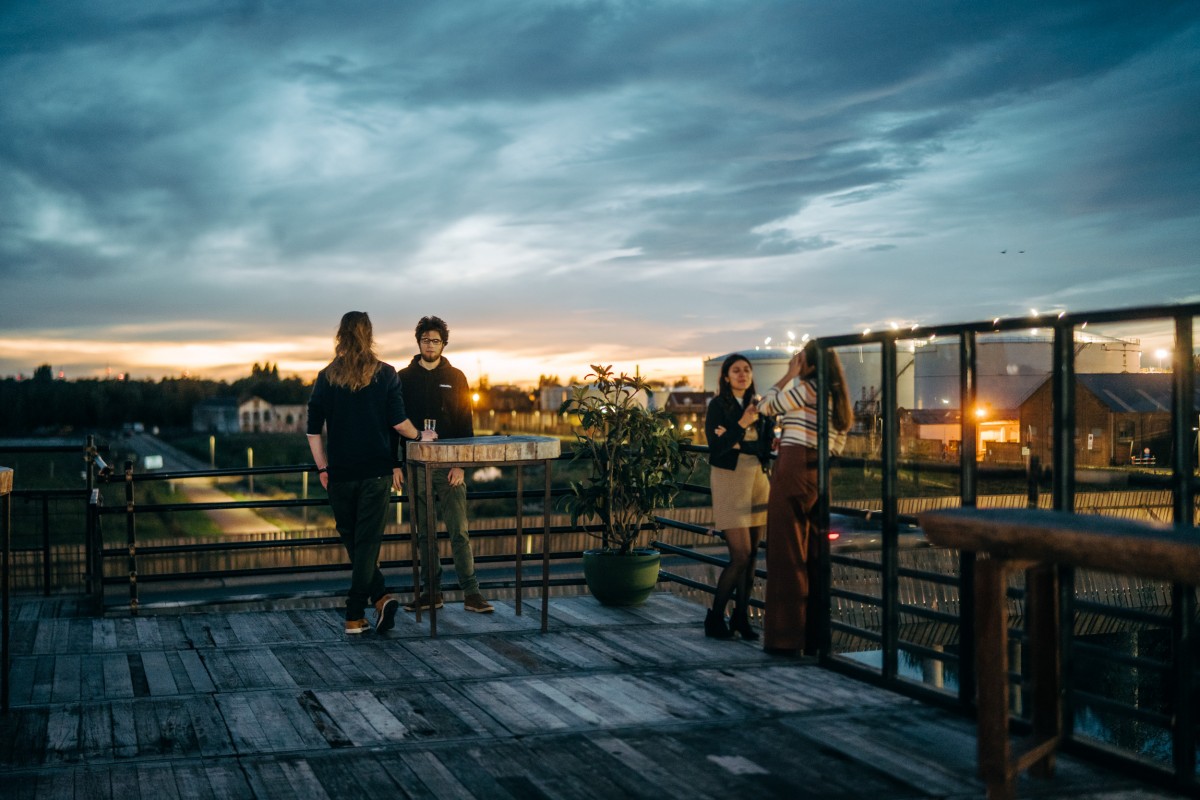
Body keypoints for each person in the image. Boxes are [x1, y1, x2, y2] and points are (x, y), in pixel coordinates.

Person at [306, 311, 428, 635]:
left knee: (357, 544)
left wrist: (322, 468)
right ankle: (356, 611)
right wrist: (420, 436)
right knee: (366, 544)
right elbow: (399, 424)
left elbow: (312, 431)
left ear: (341, 336)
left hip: (339, 475)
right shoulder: (387, 374)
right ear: (369, 335)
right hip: (375, 474)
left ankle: (378, 600)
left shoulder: (325, 377)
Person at [756, 340, 852, 655]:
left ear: (808, 364)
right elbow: (837, 445)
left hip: (793, 468)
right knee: (812, 552)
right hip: (819, 474)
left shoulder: (807, 389)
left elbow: (765, 406)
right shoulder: (837, 397)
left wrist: (786, 375)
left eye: (799, 360)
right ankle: (812, 637)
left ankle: (785, 638)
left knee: (785, 552)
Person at [399, 315, 493, 614]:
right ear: (419, 342)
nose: (431, 345)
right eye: (426, 340)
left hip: (450, 467)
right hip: (416, 466)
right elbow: (394, 424)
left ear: (444, 343)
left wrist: (461, 464)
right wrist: (395, 465)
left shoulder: (457, 377)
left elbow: (466, 423)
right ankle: (431, 593)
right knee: (424, 533)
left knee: (459, 531)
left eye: (436, 340)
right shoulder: (402, 378)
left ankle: (472, 594)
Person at [703, 354, 773, 640]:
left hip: (758, 478)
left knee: (754, 553)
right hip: (729, 480)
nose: (742, 374)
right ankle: (715, 617)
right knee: (740, 555)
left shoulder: (761, 405)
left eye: (746, 369)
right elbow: (717, 448)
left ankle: (741, 618)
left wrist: (735, 436)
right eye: (736, 370)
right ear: (726, 376)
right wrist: (743, 424)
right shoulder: (718, 406)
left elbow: (765, 445)